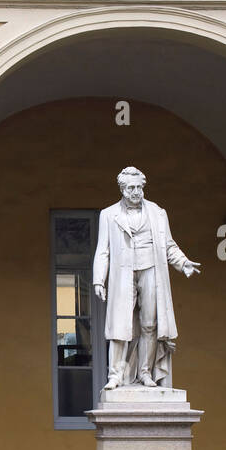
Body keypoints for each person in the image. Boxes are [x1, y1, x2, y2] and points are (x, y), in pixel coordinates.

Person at [92, 166, 201, 390]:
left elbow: (168, 245)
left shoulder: (158, 213)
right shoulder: (109, 215)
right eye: (131, 188)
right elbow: (103, 250)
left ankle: (145, 372)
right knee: (119, 326)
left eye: (139, 187)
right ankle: (116, 375)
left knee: (150, 324)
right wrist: (98, 280)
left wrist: (183, 263)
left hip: (151, 268)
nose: (136, 192)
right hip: (123, 272)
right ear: (122, 189)